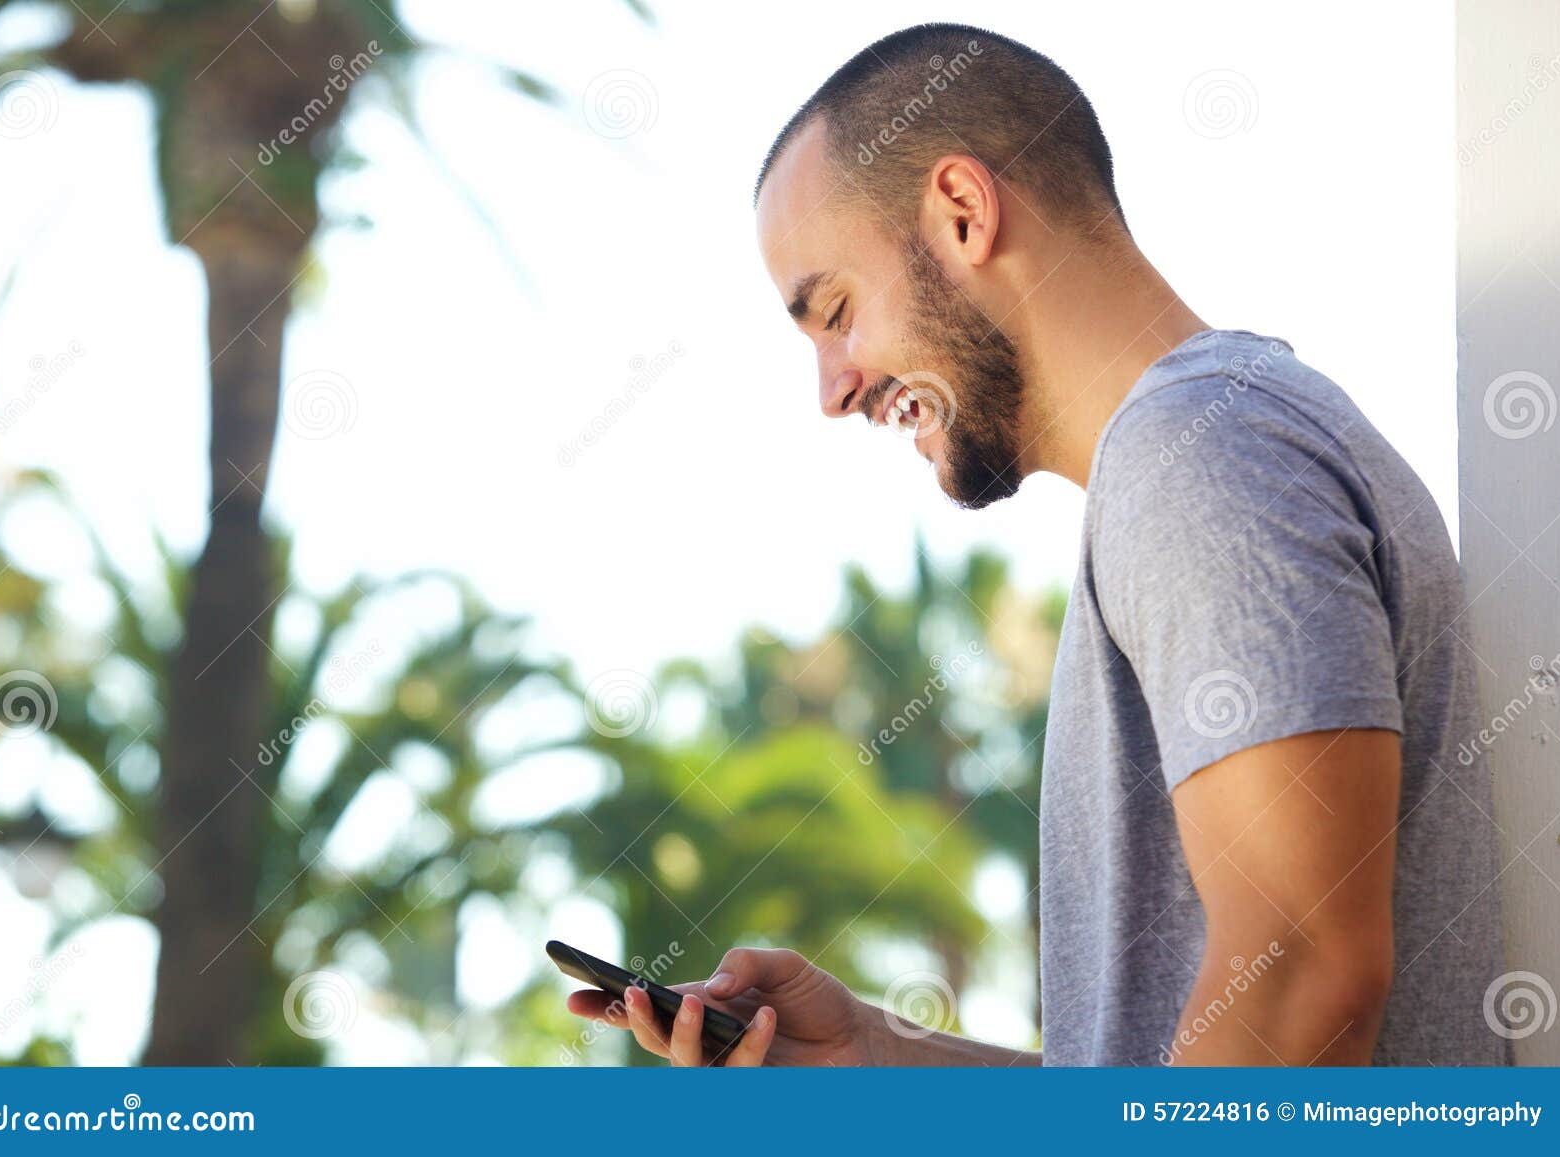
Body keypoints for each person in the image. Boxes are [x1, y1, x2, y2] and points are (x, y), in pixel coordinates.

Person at [568, 22, 1509, 1066]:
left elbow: (1302, 977)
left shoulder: (1199, 454)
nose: (832, 390)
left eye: (835, 311)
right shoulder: (1202, 451)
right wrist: (867, 1055)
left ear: (963, 214)